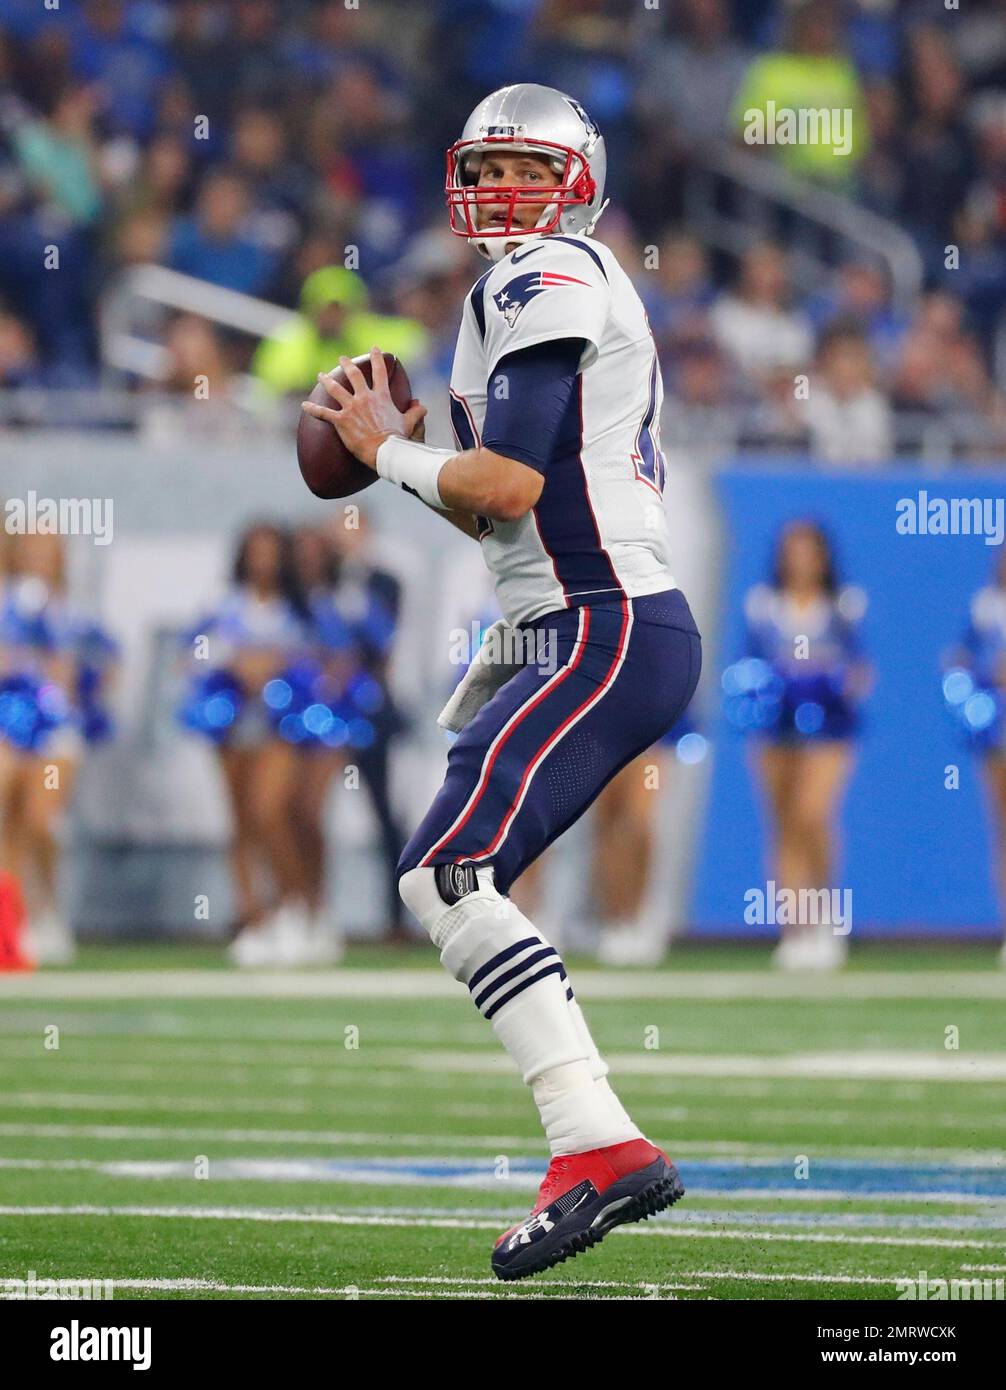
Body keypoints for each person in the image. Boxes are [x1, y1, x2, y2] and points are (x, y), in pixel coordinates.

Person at [302, 84, 701, 1281]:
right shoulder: (528, 285)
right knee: (450, 867)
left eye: (528, 168)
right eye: (487, 168)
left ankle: (596, 1144)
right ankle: (594, 1140)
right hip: (570, 623)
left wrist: (386, 453)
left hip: (605, 620)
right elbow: (509, 506)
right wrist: (424, 470)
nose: (503, 192)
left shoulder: (546, 273)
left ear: (578, 179)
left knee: (448, 867)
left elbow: (510, 488)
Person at [180, 522, 325, 967]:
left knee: (270, 811)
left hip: (281, 723)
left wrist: (278, 665)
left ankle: (295, 905)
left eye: (271, 552)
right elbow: (193, 653)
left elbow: (328, 661)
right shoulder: (223, 605)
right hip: (232, 720)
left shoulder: (302, 610)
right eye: (255, 552)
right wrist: (235, 661)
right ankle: (253, 917)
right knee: (241, 821)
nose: (262, 561)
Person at [726, 521, 870, 971]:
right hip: (774, 725)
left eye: (808, 551)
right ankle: (794, 928)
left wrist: (836, 679)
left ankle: (825, 915)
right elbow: (744, 666)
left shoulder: (843, 607)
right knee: (783, 821)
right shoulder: (762, 606)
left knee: (813, 814)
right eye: (792, 550)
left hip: (830, 727)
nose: (800, 560)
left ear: (823, 558)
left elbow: (861, 669)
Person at [0, 532, 116, 964]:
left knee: (40, 820)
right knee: (9, 821)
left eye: (46, 549)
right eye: (29, 547)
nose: (37, 556)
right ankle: (13, 920)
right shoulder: (6, 603)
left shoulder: (72, 611)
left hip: (55, 725)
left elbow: (103, 660)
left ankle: (49, 907)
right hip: (8, 721)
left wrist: (82, 685)